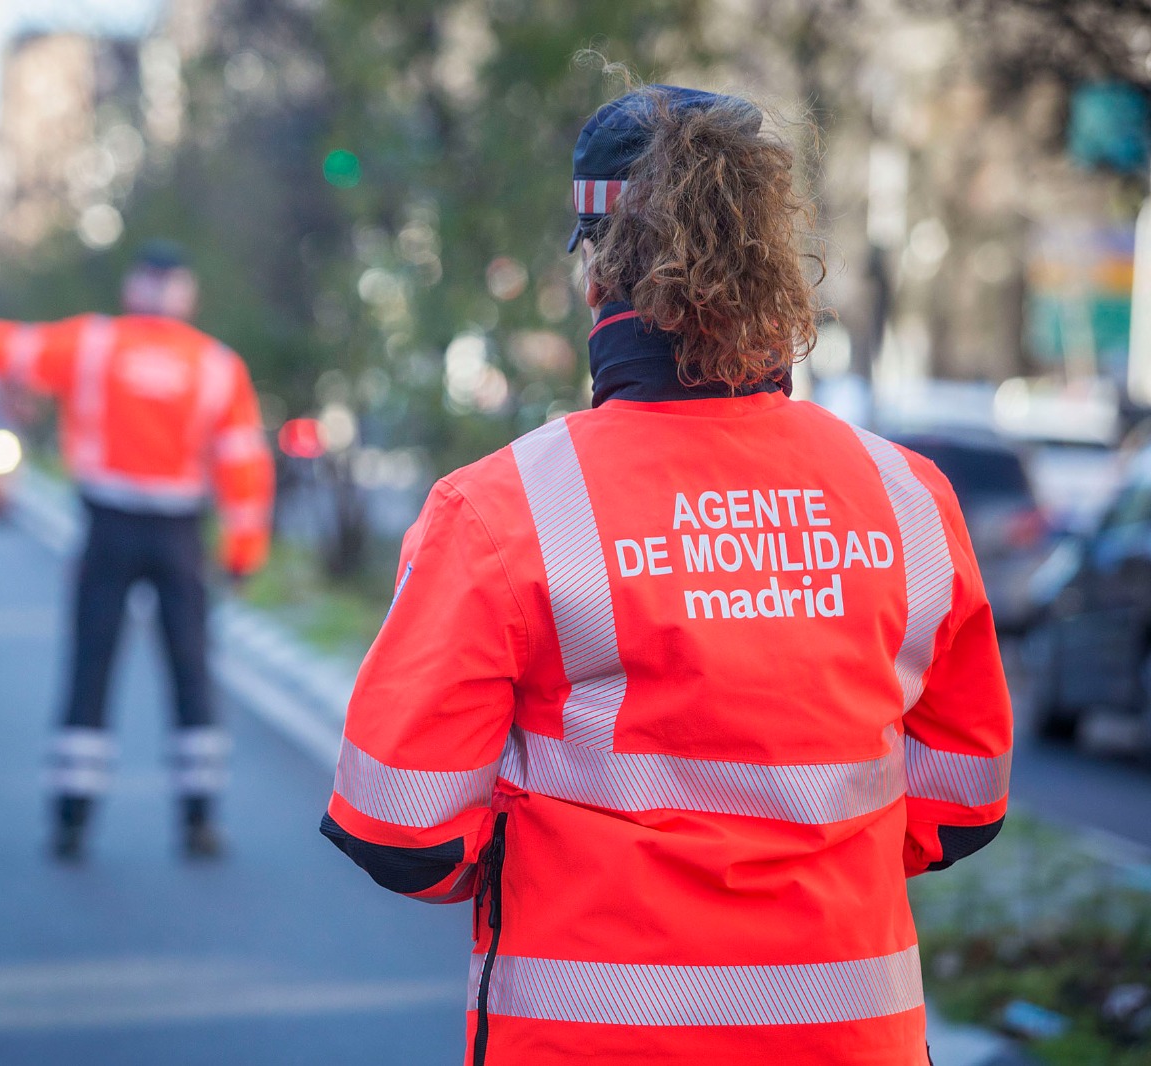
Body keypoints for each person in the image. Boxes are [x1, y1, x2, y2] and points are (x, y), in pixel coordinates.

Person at [320, 85, 1011, 1065]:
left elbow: (398, 825)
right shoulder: (907, 497)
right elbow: (962, 802)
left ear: (600, 270)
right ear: (773, 258)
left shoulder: (500, 508)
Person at [0, 242, 274, 861]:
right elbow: (243, 465)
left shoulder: (96, 346)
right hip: (178, 532)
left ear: (134, 288)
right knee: (192, 670)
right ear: (188, 293)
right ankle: (199, 820)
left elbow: (4, 347)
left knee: (91, 666)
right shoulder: (215, 365)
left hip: (110, 527)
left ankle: (73, 820)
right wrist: (242, 552)